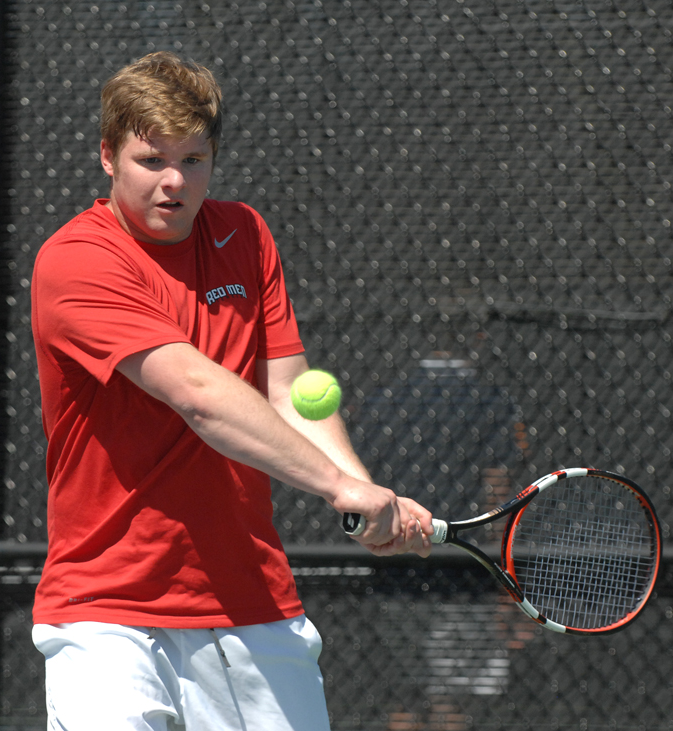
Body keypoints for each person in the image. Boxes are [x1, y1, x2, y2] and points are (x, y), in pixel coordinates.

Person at [29, 51, 433, 731]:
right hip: (106, 613)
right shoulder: (77, 260)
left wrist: (368, 494)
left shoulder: (243, 233)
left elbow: (292, 389)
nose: (174, 181)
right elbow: (197, 392)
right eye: (151, 160)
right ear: (107, 157)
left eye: (193, 160)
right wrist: (338, 486)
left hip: (252, 601)